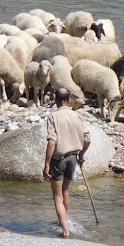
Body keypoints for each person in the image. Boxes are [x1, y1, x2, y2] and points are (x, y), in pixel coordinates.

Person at [43, 87, 90, 237]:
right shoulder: (78, 116)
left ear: (56, 101)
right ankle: (63, 220)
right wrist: (81, 155)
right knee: (65, 191)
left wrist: (47, 164)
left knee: (57, 196)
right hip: (72, 158)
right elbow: (87, 139)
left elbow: (51, 142)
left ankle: (65, 231)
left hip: (58, 159)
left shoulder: (53, 117)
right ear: (70, 101)